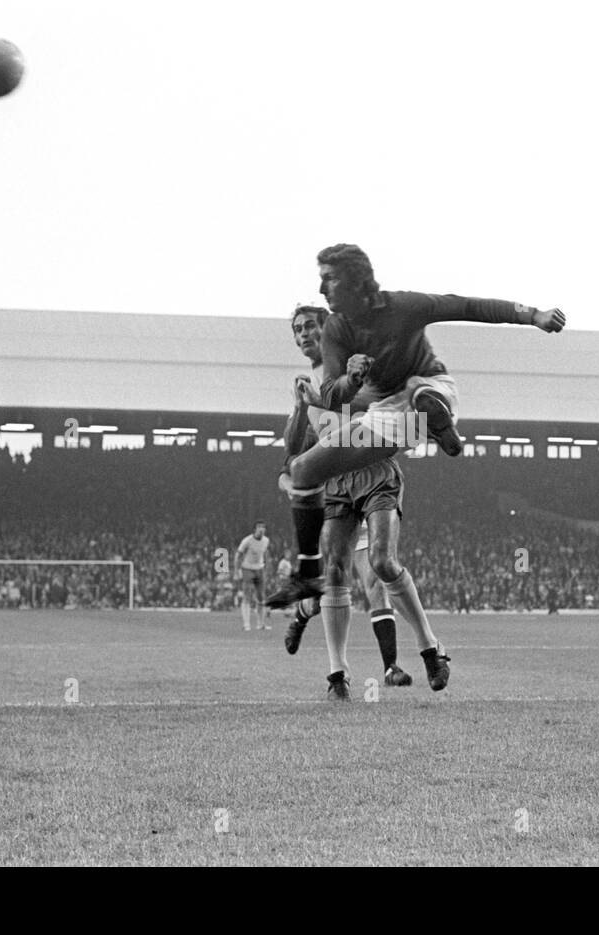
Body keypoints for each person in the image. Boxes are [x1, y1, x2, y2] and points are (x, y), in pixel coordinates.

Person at [270, 243, 565, 606]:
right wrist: (352, 379)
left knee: (417, 389)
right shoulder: (336, 330)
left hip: (431, 387)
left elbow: (467, 306)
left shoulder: (404, 306)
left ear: (353, 280)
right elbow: (334, 395)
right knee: (302, 470)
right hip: (389, 417)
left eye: (329, 279)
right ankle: (307, 576)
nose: (321, 289)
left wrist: (533, 314)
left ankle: (433, 413)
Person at [276, 305, 413, 690]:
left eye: (311, 327)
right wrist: (302, 406)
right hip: (335, 498)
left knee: (374, 580)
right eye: (297, 330)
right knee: (332, 587)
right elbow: (293, 450)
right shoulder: (310, 385)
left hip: (369, 490)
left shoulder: (356, 373)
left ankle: (391, 668)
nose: (304, 335)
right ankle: (305, 617)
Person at [234, 521, 271, 631]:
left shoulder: (266, 541)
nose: (261, 529)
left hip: (259, 569)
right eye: (259, 527)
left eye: (263, 527)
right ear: (254, 529)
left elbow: (266, 554)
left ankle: (261, 624)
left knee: (261, 597)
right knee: (247, 596)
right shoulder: (247, 540)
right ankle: (246, 624)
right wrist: (236, 571)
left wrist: (267, 569)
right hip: (247, 568)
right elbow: (238, 555)